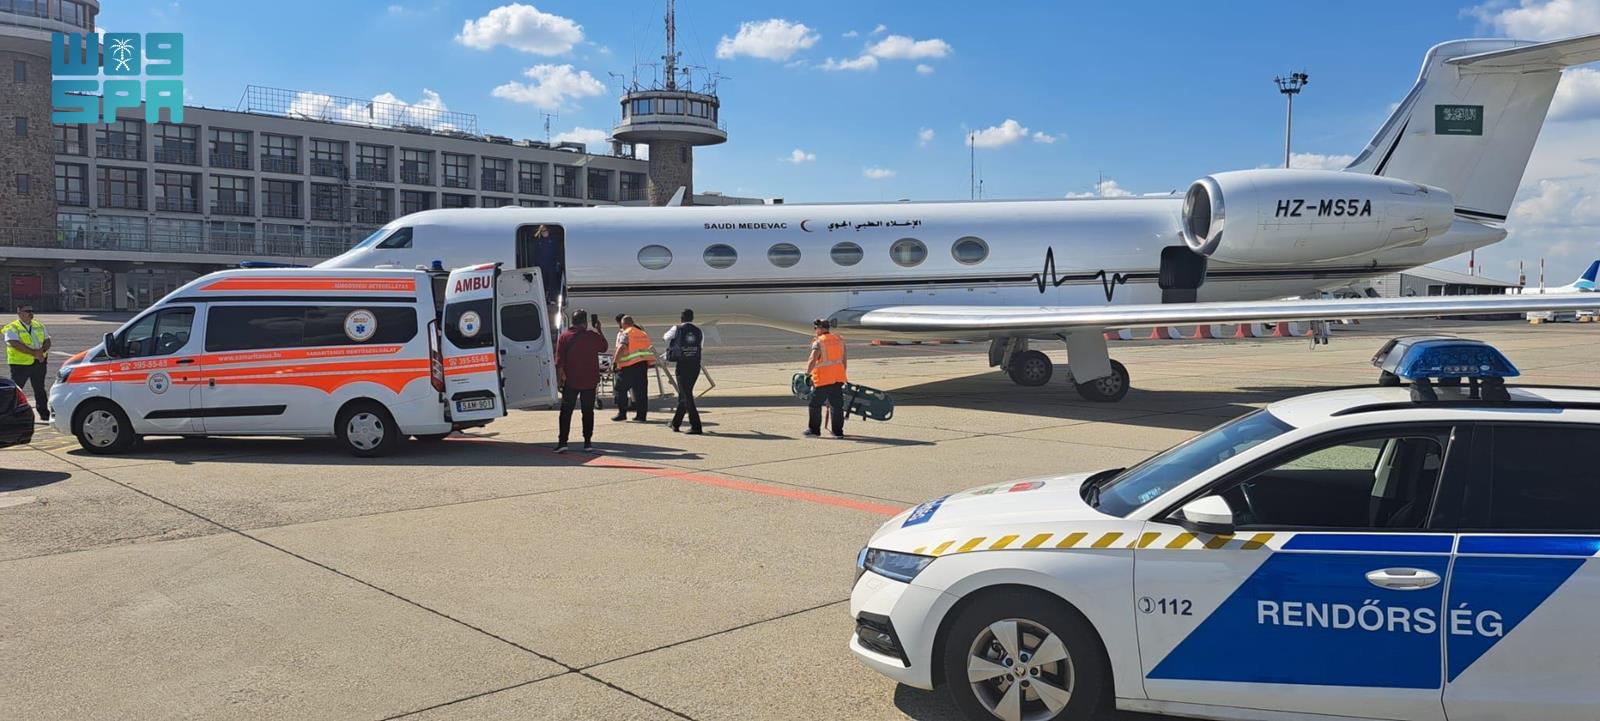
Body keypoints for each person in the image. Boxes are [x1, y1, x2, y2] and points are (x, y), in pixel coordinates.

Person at [554, 308, 609, 453]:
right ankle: (587, 442)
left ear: (573, 321)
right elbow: (604, 347)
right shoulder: (592, 336)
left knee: (566, 412)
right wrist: (599, 330)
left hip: (571, 381)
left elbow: (559, 362)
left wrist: (560, 380)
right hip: (590, 381)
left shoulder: (565, 337)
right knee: (588, 412)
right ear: (585, 323)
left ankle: (563, 442)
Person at [4, 304, 51, 422]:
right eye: (27, 311)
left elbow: (47, 340)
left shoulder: (38, 325)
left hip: (39, 362)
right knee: (16, 389)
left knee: (39, 388)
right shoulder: (12, 327)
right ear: (19, 313)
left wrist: (42, 351)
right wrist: (34, 353)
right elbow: (14, 343)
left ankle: (44, 412)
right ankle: (9, 414)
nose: (31, 313)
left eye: (32, 310)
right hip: (20, 364)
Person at [805, 318, 846, 438]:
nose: (815, 331)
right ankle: (838, 432)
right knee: (837, 406)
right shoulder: (839, 340)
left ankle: (814, 431)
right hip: (838, 378)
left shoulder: (819, 342)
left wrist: (807, 374)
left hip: (823, 379)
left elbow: (813, 359)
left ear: (820, 328)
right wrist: (842, 374)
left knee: (814, 404)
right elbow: (844, 360)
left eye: (815, 328)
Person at [664, 308, 703, 434]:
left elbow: (665, 337)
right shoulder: (698, 331)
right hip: (695, 365)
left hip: (683, 365)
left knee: (686, 395)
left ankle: (696, 425)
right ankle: (675, 423)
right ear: (692, 318)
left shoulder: (677, 328)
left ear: (681, 318)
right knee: (684, 394)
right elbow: (700, 346)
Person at [611, 315, 655, 422]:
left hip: (628, 366)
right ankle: (641, 416)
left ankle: (622, 413)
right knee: (641, 391)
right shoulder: (642, 333)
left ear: (623, 323)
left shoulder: (626, 333)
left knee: (620, 389)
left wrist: (615, 362)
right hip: (642, 365)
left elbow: (622, 347)